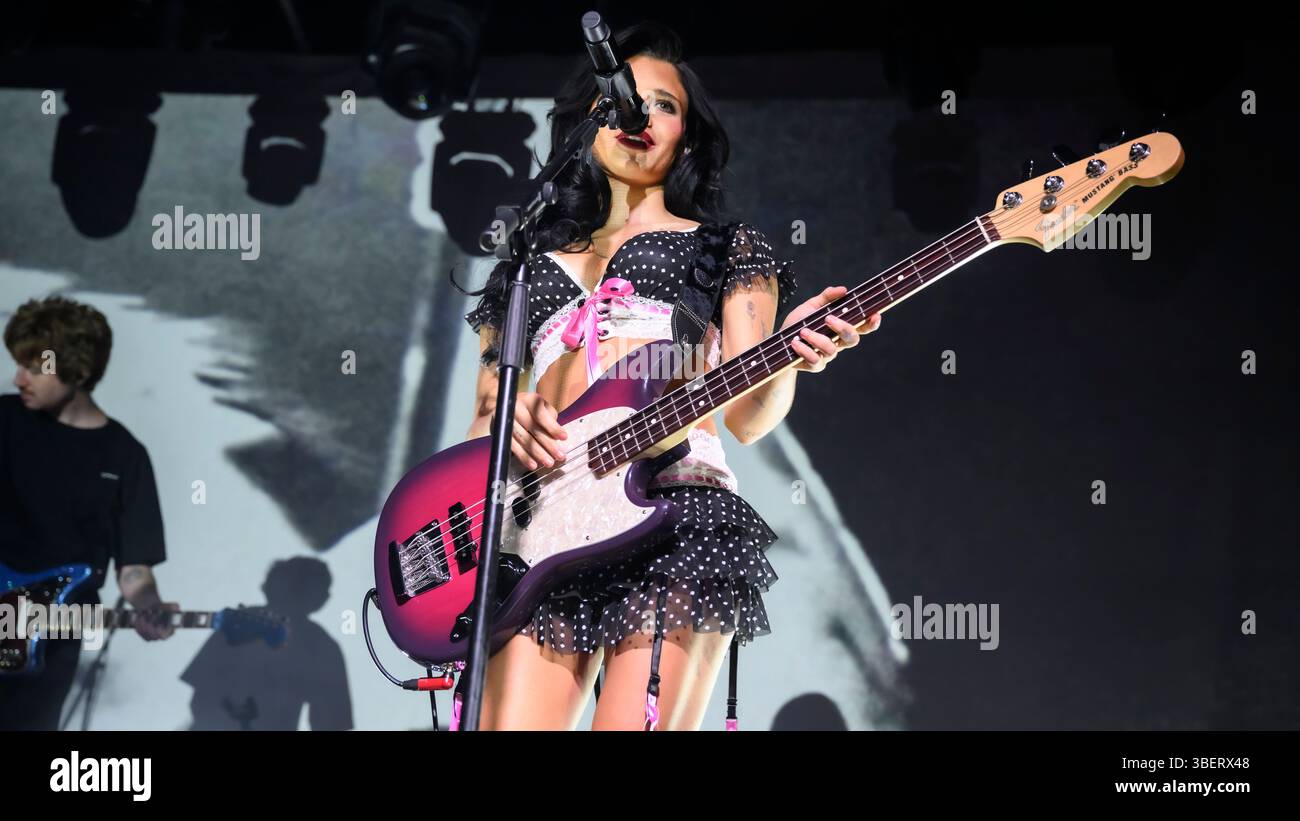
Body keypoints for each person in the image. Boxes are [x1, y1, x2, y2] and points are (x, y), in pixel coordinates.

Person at [463, 23, 881, 730]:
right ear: (589, 116)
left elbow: (749, 417)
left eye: (663, 105)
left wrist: (792, 355)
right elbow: (479, 420)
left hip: (670, 514)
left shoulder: (726, 248)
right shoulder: (526, 263)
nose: (640, 115)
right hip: (536, 535)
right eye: (625, 98)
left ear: (688, 137)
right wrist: (508, 420)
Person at [0, 296, 175, 731]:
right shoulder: (2, 420)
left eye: (33, 367)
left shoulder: (125, 457)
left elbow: (134, 569)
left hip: (51, 641)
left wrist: (148, 605)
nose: (19, 378)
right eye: (17, 364)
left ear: (77, 369)